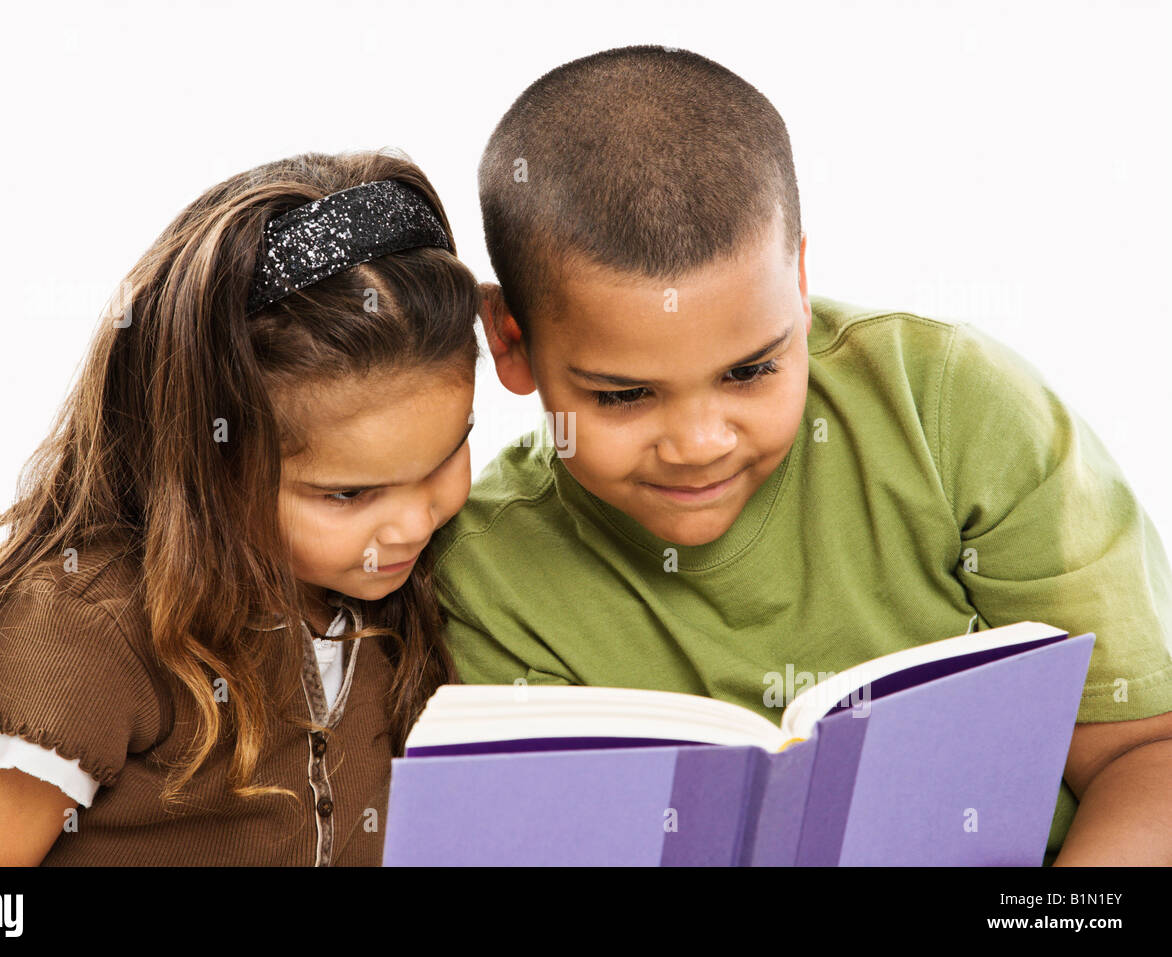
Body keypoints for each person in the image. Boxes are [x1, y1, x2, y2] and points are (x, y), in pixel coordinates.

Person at [430, 44, 1172, 866]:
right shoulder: (488, 574)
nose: (700, 444)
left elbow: (1144, 756)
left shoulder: (954, 411)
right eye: (624, 395)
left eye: (751, 371)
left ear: (801, 279)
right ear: (509, 340)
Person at [0, 149, 479, 865]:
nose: (412, 524)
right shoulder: (81, 631)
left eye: (444, 459)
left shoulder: (397, 595)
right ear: (205, 455)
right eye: (346, 494)